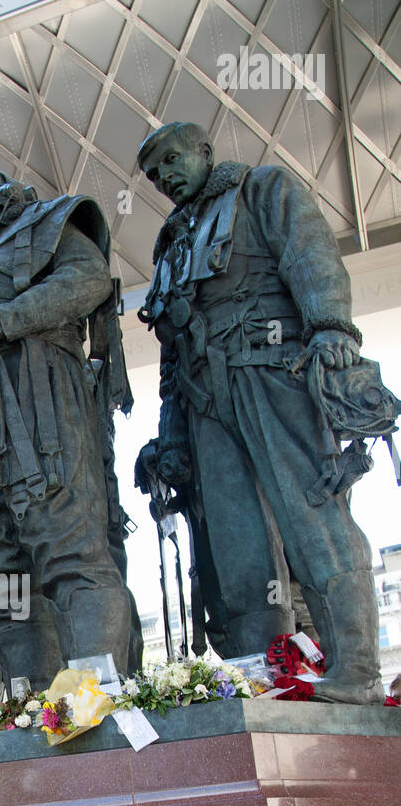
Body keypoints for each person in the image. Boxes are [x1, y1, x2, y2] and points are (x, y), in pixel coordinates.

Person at [137, 122, 386, 703]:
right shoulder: (172, 243)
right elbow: (171, 356)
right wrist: (171, 437)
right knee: (238, 549)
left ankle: (357, 670)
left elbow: (311, 257)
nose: (164, 178)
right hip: (207, 404)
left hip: (274, 374)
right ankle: (268, 676)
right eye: (153, 175)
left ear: (205, 151)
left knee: (313, 521)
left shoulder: (262, 189)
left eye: (172, 161)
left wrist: (329, 329)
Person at [0, 170, 136, 686]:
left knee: (70, 550)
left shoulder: (45, 223)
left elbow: (89, 278)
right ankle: (40, 706)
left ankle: (99, 698)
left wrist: (8, 318)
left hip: (38, 405)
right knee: (0, 572)